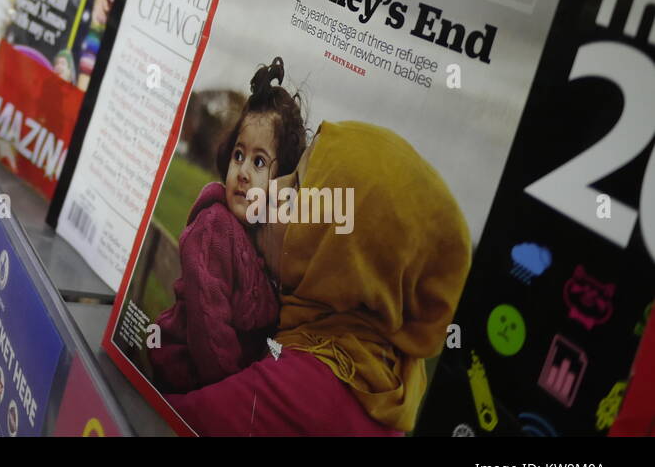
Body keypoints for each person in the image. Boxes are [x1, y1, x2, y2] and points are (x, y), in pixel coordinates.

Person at [165, 120, 472, 435]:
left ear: (342, 250)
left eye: (297, 188)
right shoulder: (375, 368)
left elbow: (147, 419)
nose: (273, 188)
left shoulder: (303, 393)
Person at [149, 59, 306, 393]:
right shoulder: (216, 228)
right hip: (186, 378)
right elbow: (209, 326)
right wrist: (233, 392)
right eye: (239, 155)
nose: (243, 171)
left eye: (259, 161)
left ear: (283, 180)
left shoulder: (266, 239)